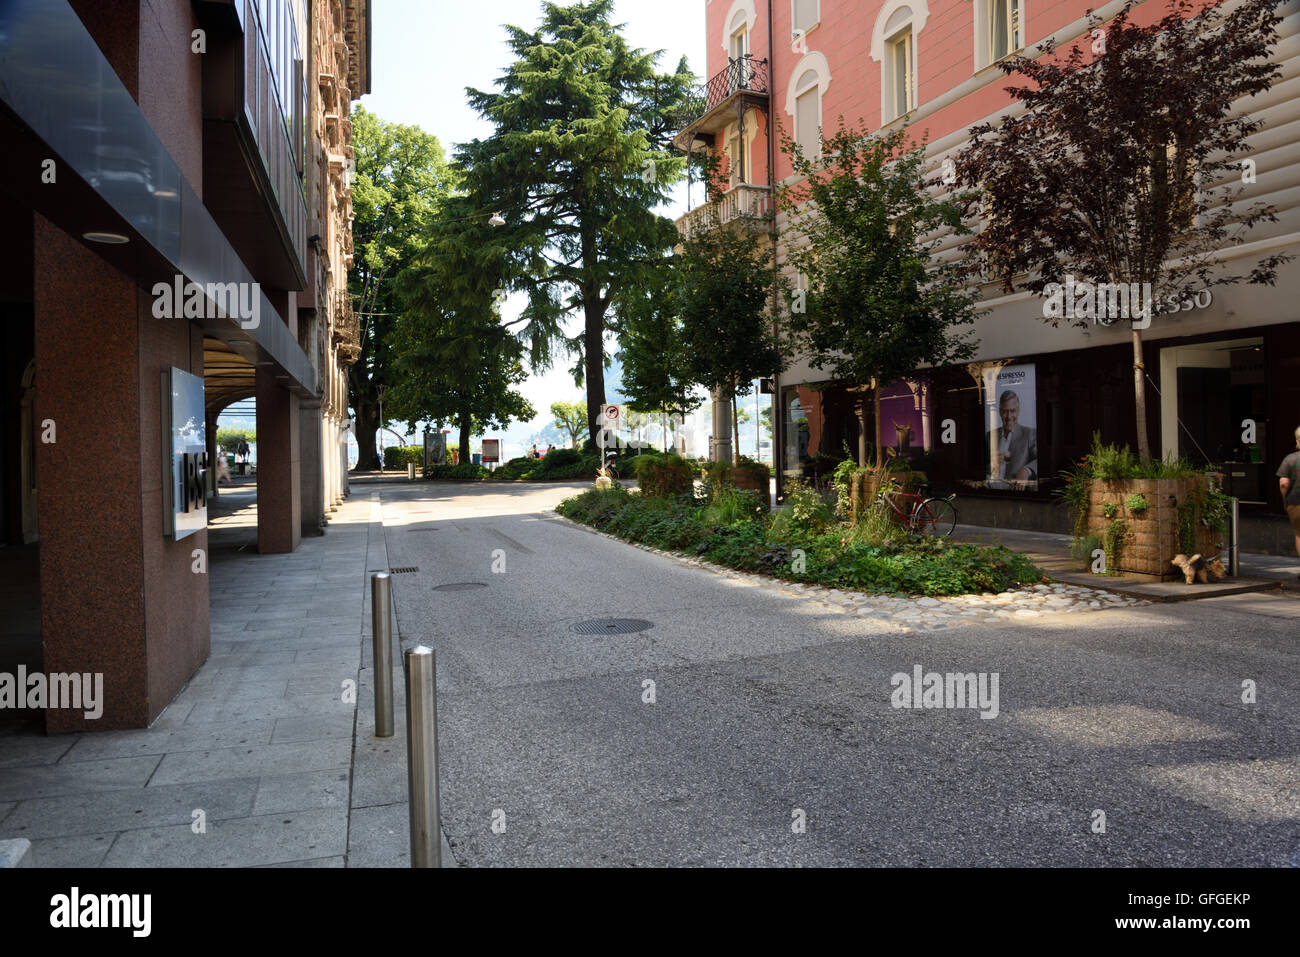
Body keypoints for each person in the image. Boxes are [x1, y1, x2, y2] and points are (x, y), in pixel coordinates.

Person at [985, 389, 1038, 486]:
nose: (1009, 416)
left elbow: (1039, 459)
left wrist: (1026, 470)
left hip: (1014, 489)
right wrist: (991, 465)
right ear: (1000, 412)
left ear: (1018, 411)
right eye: (1005, 411)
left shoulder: (1029, 434)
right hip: (991, 487)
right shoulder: (989, 436)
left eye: (1012, 411)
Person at [1276, 425, 1300, 576]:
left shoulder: (1290, 459)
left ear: (1298, 441)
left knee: (1299, 534)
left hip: (1296, 503)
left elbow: (1284, 483)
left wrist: (1284, 499)